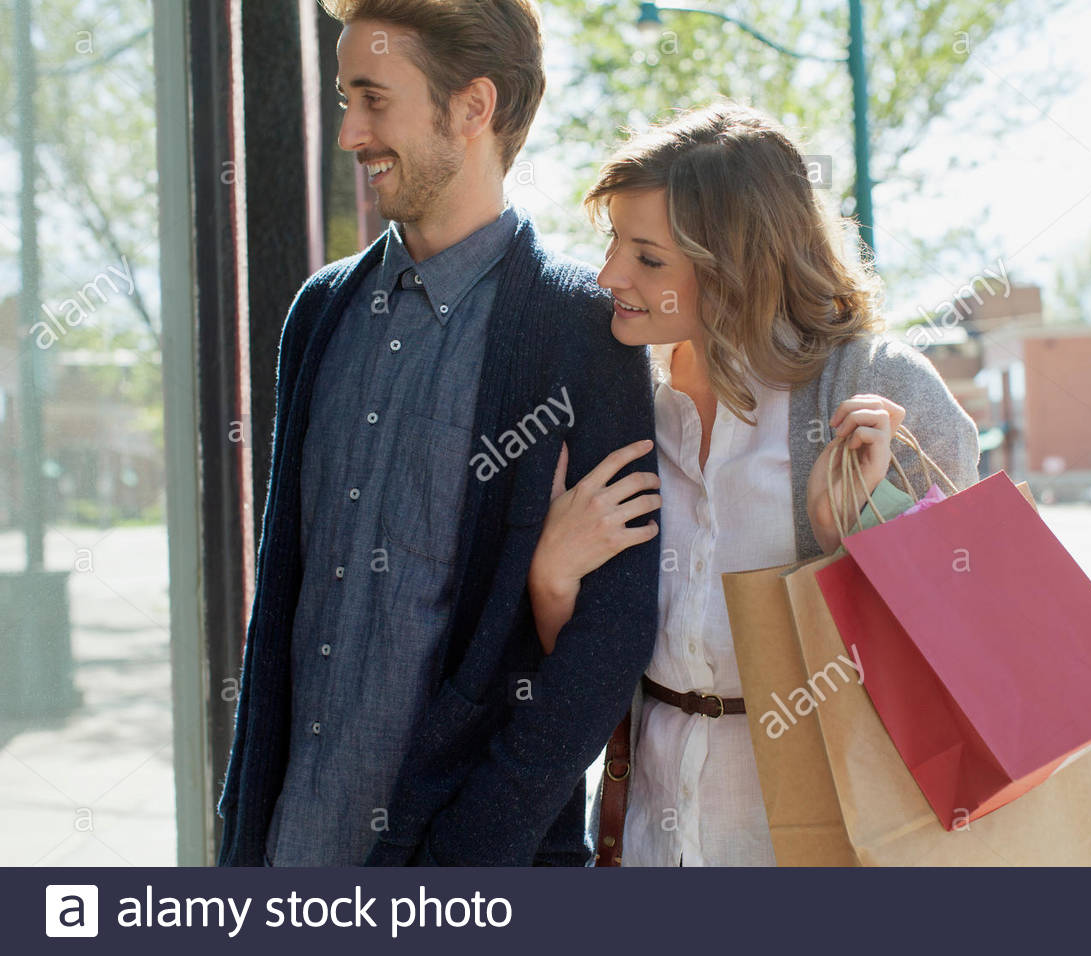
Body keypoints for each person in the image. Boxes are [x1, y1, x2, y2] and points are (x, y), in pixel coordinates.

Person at [217, 0, 659, 867]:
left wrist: (467, 859)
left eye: (375, 99)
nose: (351, 132)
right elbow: (283, 602)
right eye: (345, 97)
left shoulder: (582, 331)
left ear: (473, 107)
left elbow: (608, 642)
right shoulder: (320, 314)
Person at [527, 104, 981, 866]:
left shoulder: (875, 389)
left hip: (833, 850)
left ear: (733, 266)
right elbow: (582, 677)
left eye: (648, 257)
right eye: (614, 243)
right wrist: (551, 577)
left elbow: (972, 656)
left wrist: (853, 541)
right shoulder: (619, 402)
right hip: (648, 843)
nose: (609, 276)